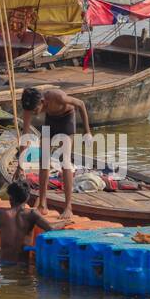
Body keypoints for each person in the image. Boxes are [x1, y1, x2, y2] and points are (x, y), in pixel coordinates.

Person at [20, 85, 92, 223]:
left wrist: (87, 131)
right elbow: (25, 134)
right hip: (51, 121)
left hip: (67, 119)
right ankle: (42, 204)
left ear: (42, 101)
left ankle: (68, 206)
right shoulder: (29, 106)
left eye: (36, 110)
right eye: (32, 111)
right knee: (44, 161)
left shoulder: (58, 96)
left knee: (65, 161)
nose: (34, 113)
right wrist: (20, 164)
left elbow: (81, 104)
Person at [0, 180, 51, 265]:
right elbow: (51, 228)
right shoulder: (31, 214)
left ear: (10, 198)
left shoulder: (1, 212)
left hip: (3, 263)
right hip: (21, 265)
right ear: (27, 198)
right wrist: (64, 222)